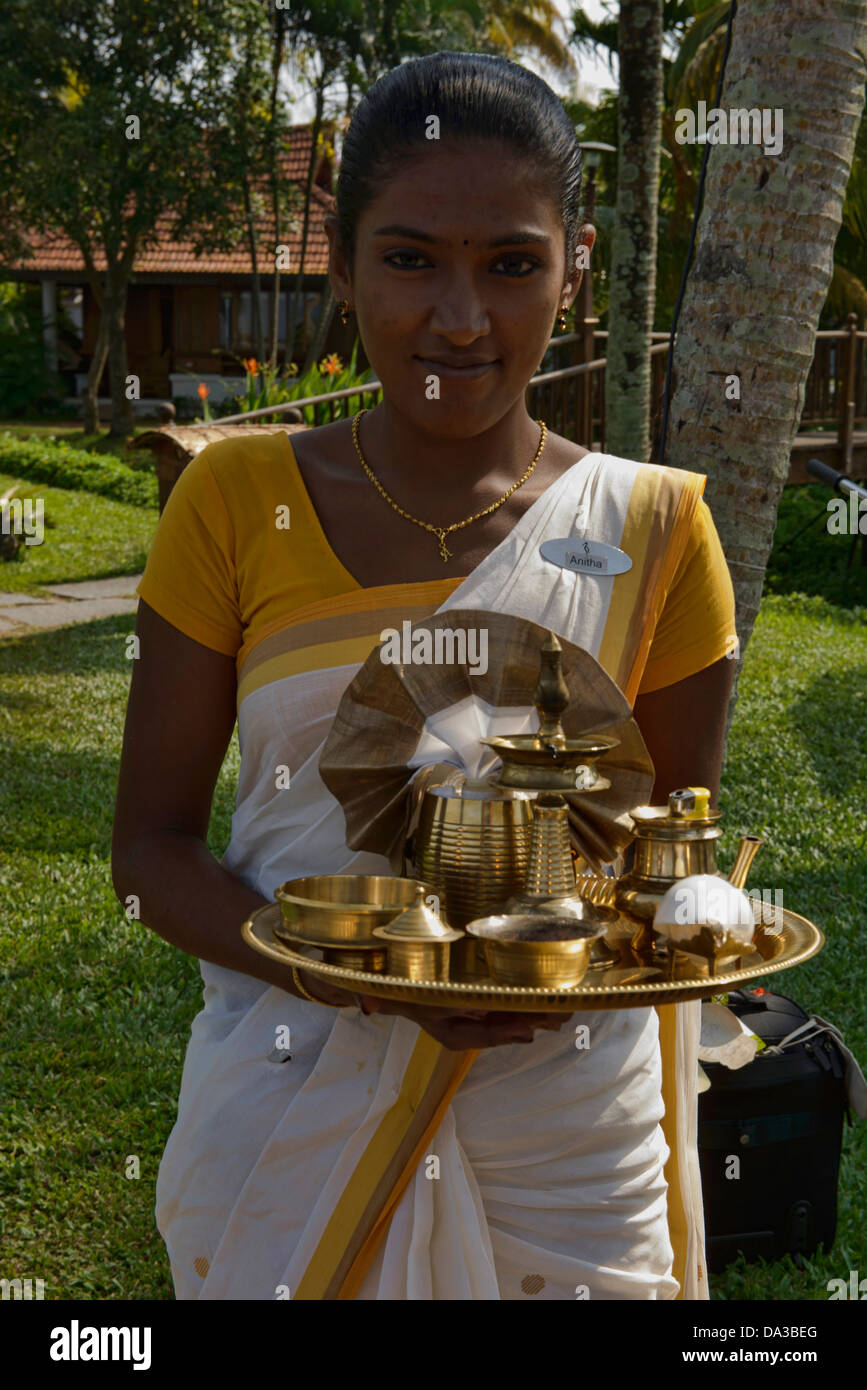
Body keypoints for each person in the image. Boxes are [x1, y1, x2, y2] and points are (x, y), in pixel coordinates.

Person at [112, 50, 736, 1301]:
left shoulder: (659, 530)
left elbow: (652, 866)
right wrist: (351, 974)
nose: (460, 318)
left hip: (565, 1143)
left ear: (578, 264)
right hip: (293, 1102)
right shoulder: (237, 501)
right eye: (409, 260)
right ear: (341, 265)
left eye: (512, 263)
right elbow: (151, 850)